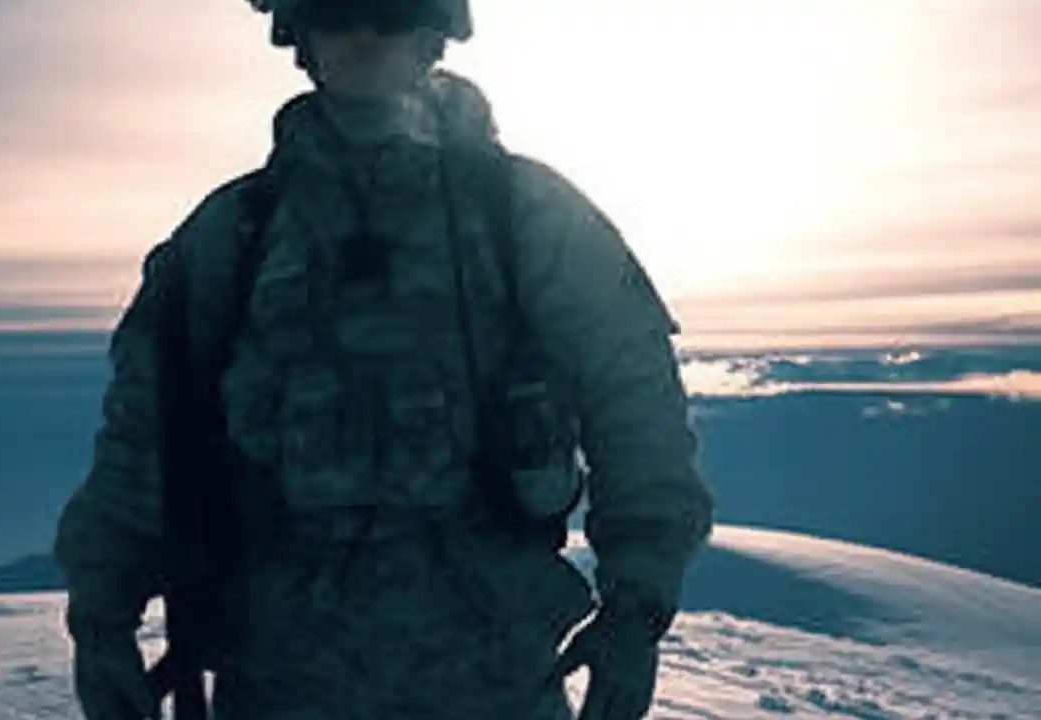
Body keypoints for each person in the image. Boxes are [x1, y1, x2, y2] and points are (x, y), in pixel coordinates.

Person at [52, 1, 716, 718]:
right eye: (337, 8)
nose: (365, 32)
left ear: (433, 32)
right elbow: (142, 437)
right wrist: (102, 619)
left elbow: (633, 402)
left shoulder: (528, 217)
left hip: (493, 681)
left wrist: (638, 607)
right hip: (280, 681)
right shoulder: (231, 238)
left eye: (393, 8)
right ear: (300, 32)